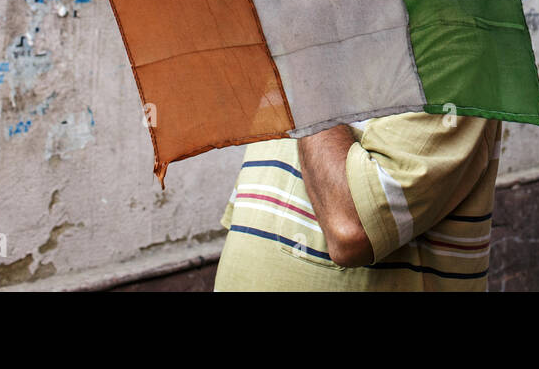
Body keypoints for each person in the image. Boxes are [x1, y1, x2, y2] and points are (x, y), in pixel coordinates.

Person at [213, 110, 500, 291]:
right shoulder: (316, 39)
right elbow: (248, 228)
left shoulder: (457, 48)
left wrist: (305, 69)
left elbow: (352, 230)